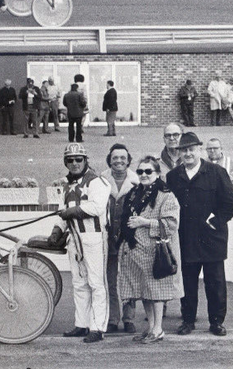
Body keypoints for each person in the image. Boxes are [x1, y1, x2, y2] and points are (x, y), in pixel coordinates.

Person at [167, 132, 233, 337]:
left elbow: (231, 204)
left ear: (199, 150)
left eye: (191, 149)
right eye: (184, 150)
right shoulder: (173, 176)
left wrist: (214, 221)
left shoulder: (216, 172)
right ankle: (188, 320)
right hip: (185, 239)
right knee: (188, 283)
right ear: (179, 153)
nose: (188, 153)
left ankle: (216, 322)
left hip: (212, 239)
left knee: (215, 283)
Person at [118, 156, 184, 343]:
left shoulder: (166, 195)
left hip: (153, 252)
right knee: (144, 292)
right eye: (140, 171)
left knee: (155, 293)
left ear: (157, 174)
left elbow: (171, 224)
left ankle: (158, 329)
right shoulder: (134, 193)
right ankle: (150, 328)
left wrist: (144, 222)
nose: (144, 175)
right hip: (135, 251)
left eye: (148, 171)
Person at [49, 143, 110, 343]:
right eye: (70, 160)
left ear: (86, 160)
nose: (74, 163)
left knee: (96, 284)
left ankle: (98, 327)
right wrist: (57, 230)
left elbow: (97, 207)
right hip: (74, 241)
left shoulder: (97, 182)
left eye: (78, 159)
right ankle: (82, 325)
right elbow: (61, 211)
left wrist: (71, 213)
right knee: (79, 284)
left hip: (94, 238)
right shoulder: (68, 186)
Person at [105, 144, 138, 334]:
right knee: (110, 280)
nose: (119, 161)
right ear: (110, 159)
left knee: (129, 279)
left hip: (129, 239)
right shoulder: (101, 180)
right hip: (108, 237)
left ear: (128, 160)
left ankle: (129, 318)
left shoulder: (136, 181)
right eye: (115, 157)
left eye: (122, 157)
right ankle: (112, 318)